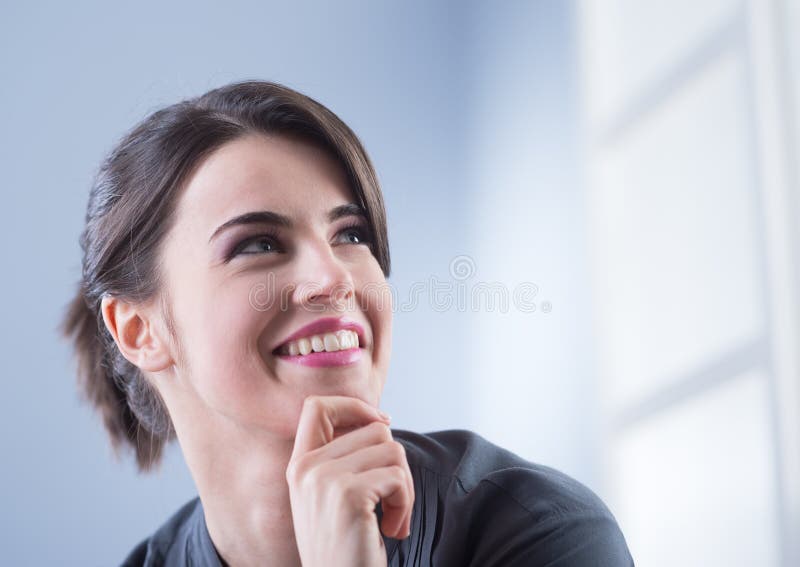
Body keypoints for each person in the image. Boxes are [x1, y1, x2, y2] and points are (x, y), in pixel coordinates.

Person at [60, 80, 634, 566]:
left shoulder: (540, 531)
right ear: (139, 330)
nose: (333, 277)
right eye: (258, 244)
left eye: (351, 235)